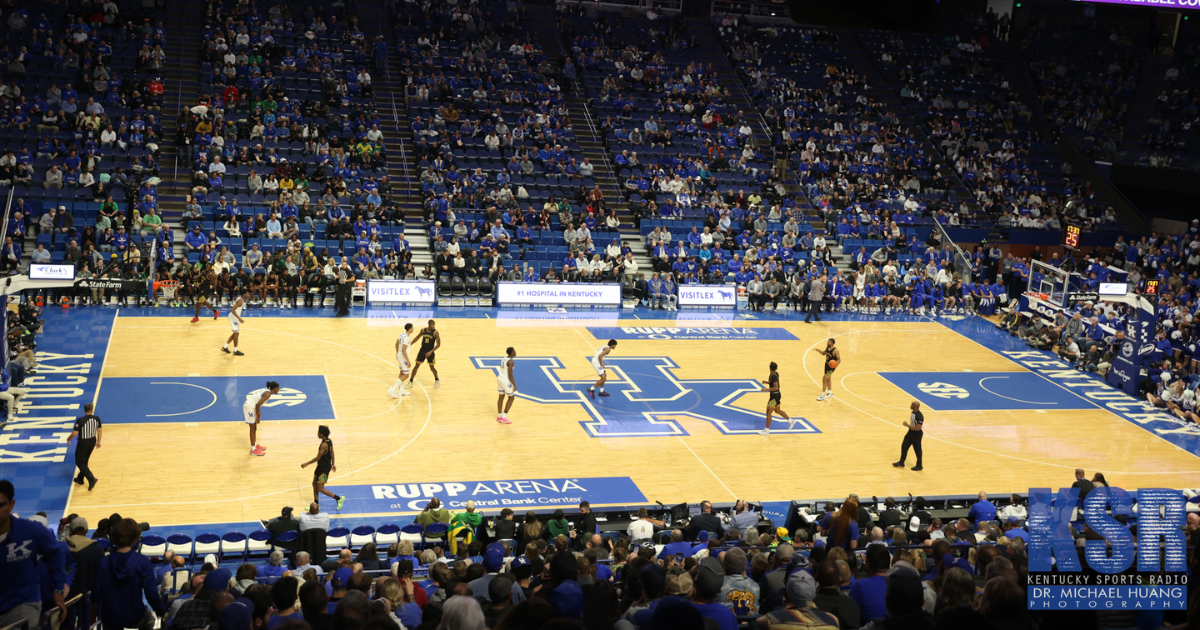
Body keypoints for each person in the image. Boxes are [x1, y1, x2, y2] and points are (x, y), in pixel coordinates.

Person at [0, 479, 68, 629]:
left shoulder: (31, 531)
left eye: (1, 505)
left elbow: (55, 554)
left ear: (12, 505)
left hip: (22, 604)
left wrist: (58, 588)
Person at [95, 518, 166, 630]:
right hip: (135, 615)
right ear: (136, 537)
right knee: (150, 621)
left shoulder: (103, 562)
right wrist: (162, 612)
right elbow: (151, 593)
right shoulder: (142, 561)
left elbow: (96, 594)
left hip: (110, 616)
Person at [300, 425, 344, 510]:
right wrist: (333, 463)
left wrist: (307, 463)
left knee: (320, 488)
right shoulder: (329, 441)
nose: (317, 434)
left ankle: (338, 498)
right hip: (320, 467)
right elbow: (332, 453)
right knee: (314, 484)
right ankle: (316, 505)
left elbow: (318, 458)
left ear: (322, 434)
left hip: (324, 469)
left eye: (318, 432)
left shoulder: (324, 445)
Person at [66, 402, 101, 490]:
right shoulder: (96, 418)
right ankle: (80, 479)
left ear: (84, 410)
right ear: (92, 410)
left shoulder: (80, 420)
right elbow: (99, 431)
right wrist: (99, 441)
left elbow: (75, 433)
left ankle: (91, 478)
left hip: (83, 442)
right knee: (84, 460)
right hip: (92, 441)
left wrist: (68, 439)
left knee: (79, 461)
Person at [243, 381, 279, 457]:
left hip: (251, 407)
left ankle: (255, 445)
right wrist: (258, 416)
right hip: (249, 407)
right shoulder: (268, 394)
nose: (279, 390)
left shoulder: (267, 391)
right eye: (278, 388)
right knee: (252, 428)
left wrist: (258, 413)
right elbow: (258, 404)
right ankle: (253, 450)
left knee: (254, 427)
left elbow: (257, 404)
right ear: (275, 388)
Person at [759, 361, 793, 435]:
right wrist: (767, 382)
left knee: (768, 412)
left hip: (774, 398)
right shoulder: (775, 374)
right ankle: (790, 421)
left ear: (770, 368)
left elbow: (776, 387)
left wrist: (766, 389)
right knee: (777, 410)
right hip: (777, 396)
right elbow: (774, 383)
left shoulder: (773, 376)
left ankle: (767, 430)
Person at [407, 319, 441, 389]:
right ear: (429, 324)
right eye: (432, 325)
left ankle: (437, 380)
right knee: (416, 366)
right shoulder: (423, 330)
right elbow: (417, 337)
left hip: (430, 351)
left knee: (432, 368)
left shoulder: (436, 332)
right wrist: (410, 344)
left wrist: (430, 352)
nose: (433, 326)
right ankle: (411, 381)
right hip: (422, 350)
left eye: (434, 325)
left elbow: (438, 345)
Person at [893, 401, 924, 471]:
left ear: (915, 407)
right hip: (910, 433)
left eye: (912, 405)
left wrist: (907, 425)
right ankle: (901, 462)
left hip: (916, 435)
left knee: (917, 450)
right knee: (904, 446)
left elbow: (918, 428)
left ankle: (919, 466)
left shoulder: (919, 416)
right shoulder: (913, 412)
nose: (910, 406)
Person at [387, 323, 413, 398]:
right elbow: (404, 350)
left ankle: (401, 390)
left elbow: (396, 344)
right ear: (410, 329)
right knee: (406, 375)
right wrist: (408, 360)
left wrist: (397, 353)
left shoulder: (402, 334)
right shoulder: (407, 338)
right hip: (403, 357)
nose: (413, 329)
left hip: (400, 355)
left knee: (402, 372)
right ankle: (393, 389)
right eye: (412, 328)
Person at [222, 291, 248, 355]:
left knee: (236, 333)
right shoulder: (240, 301)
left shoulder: (243, 299)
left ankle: (225, 347)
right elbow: (232, 309)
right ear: (244, 294)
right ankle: (235, 351)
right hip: (233, 317)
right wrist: (239, 318)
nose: (248, 294)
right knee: (236, 333)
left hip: (235, 317)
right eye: (247, 293)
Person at [496, 347, 517, 424]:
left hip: (500, 378)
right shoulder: (511, 362)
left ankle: (499, 416)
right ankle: (504, 416)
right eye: (514, 351)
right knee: (511, 398)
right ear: (511, 353)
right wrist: (514, 385)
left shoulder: (504, 358)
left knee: (501, 397)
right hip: (505, 380)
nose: (515, 352)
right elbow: (510, 375)